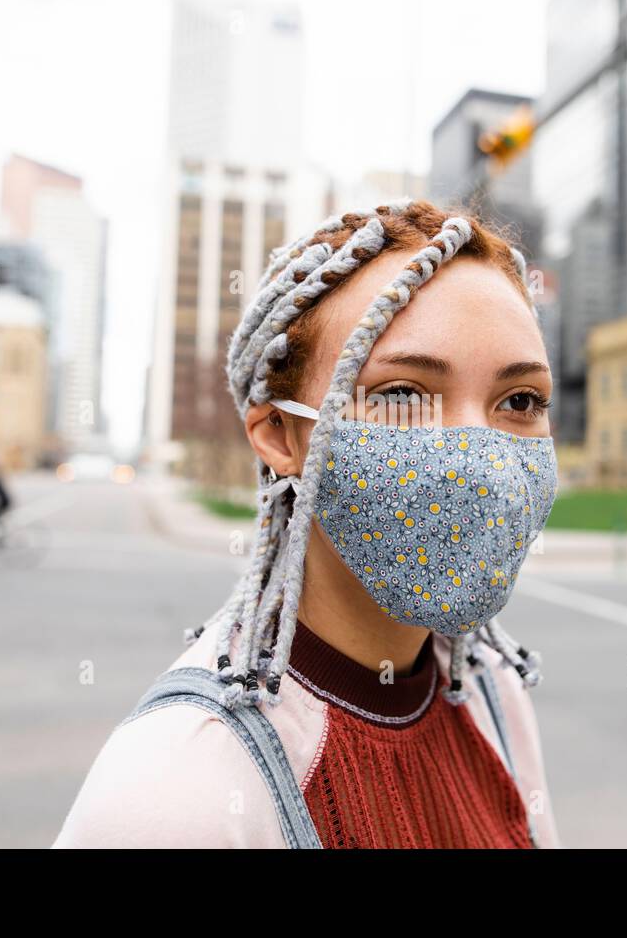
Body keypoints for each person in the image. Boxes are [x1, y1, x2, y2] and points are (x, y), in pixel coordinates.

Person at [54, 200, 562, 848]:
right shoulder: (179, 794)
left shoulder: (492, 695)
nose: (483, 461)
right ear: (279, 434)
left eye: (520, 401)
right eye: (403, 394)